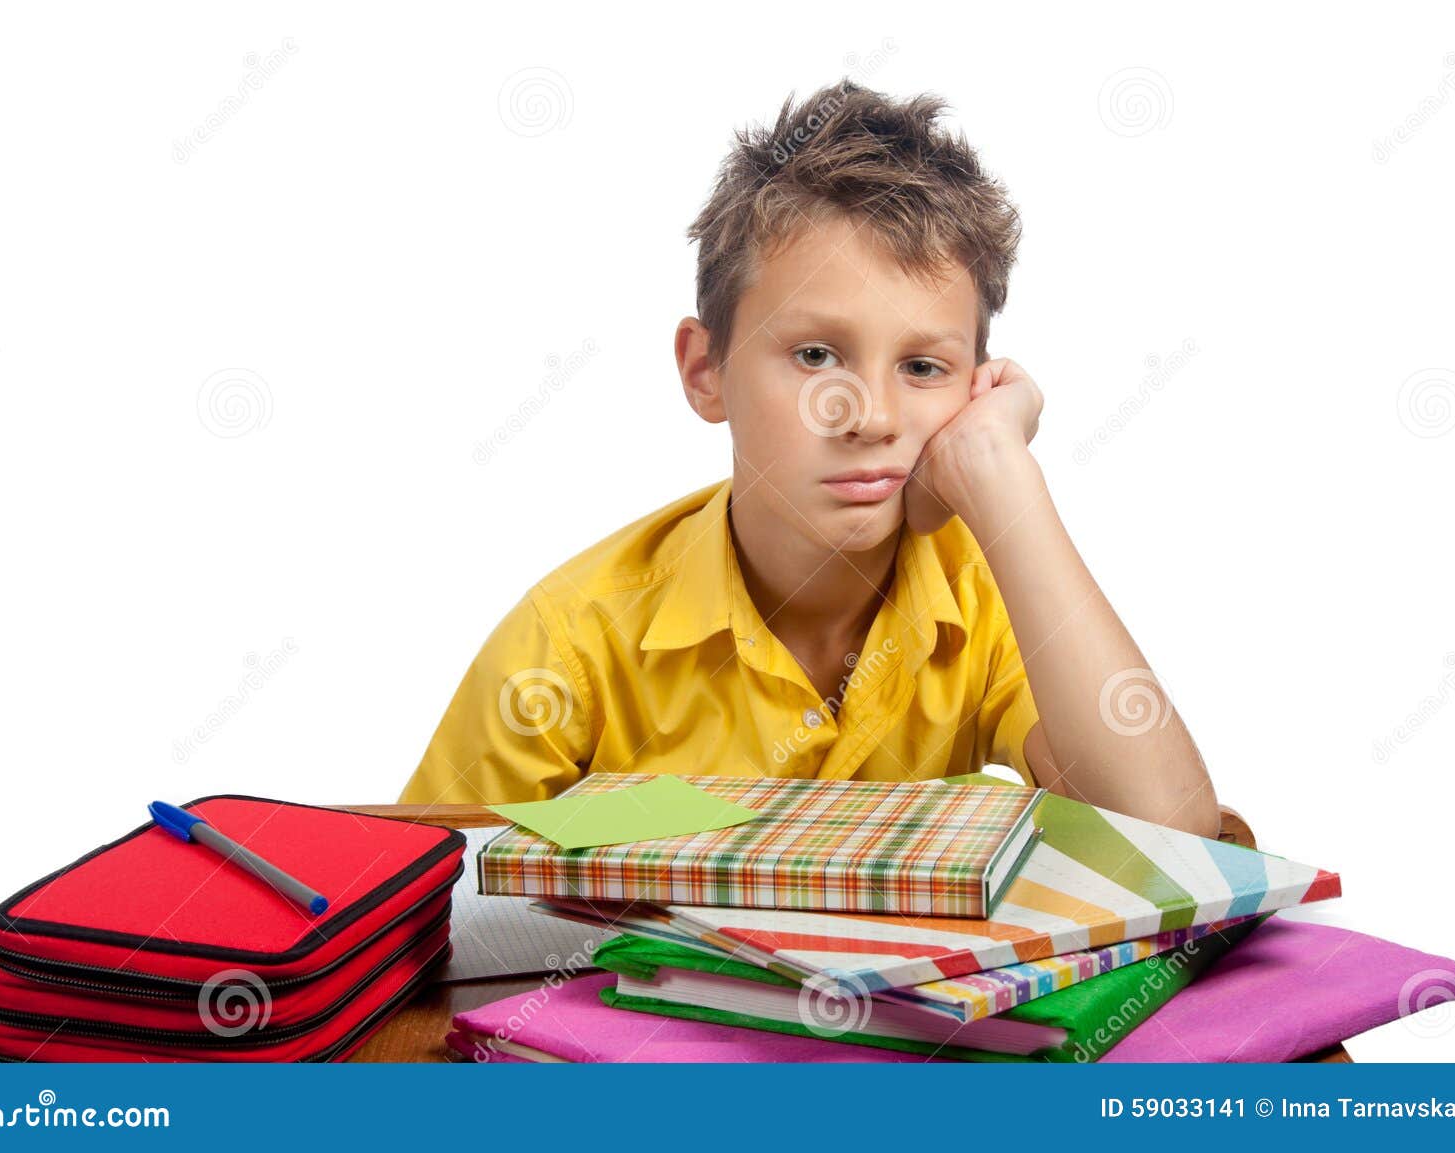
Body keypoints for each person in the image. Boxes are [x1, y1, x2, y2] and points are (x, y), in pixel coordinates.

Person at [398, 78, 1219, 837]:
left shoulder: (989, 596)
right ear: (705, 369)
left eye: (924, 367)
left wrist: (1007, 483)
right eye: (817, 355)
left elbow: (1173, 835)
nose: (869, 416)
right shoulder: (569, 641)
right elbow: (417, 911)